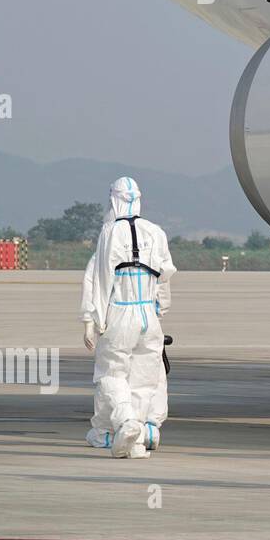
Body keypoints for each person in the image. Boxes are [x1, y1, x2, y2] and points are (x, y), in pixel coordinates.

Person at [86, 177, 176, 459]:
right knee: (144, 380)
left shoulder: (110, 232)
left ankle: (125, 421)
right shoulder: (156, 232)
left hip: (121, 311)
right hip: (149, 316)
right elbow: (165, 277)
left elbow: (101, 279)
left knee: (111, 373)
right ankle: (138, 439)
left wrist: (92, 319)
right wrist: (161, 308)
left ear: (114, 199)